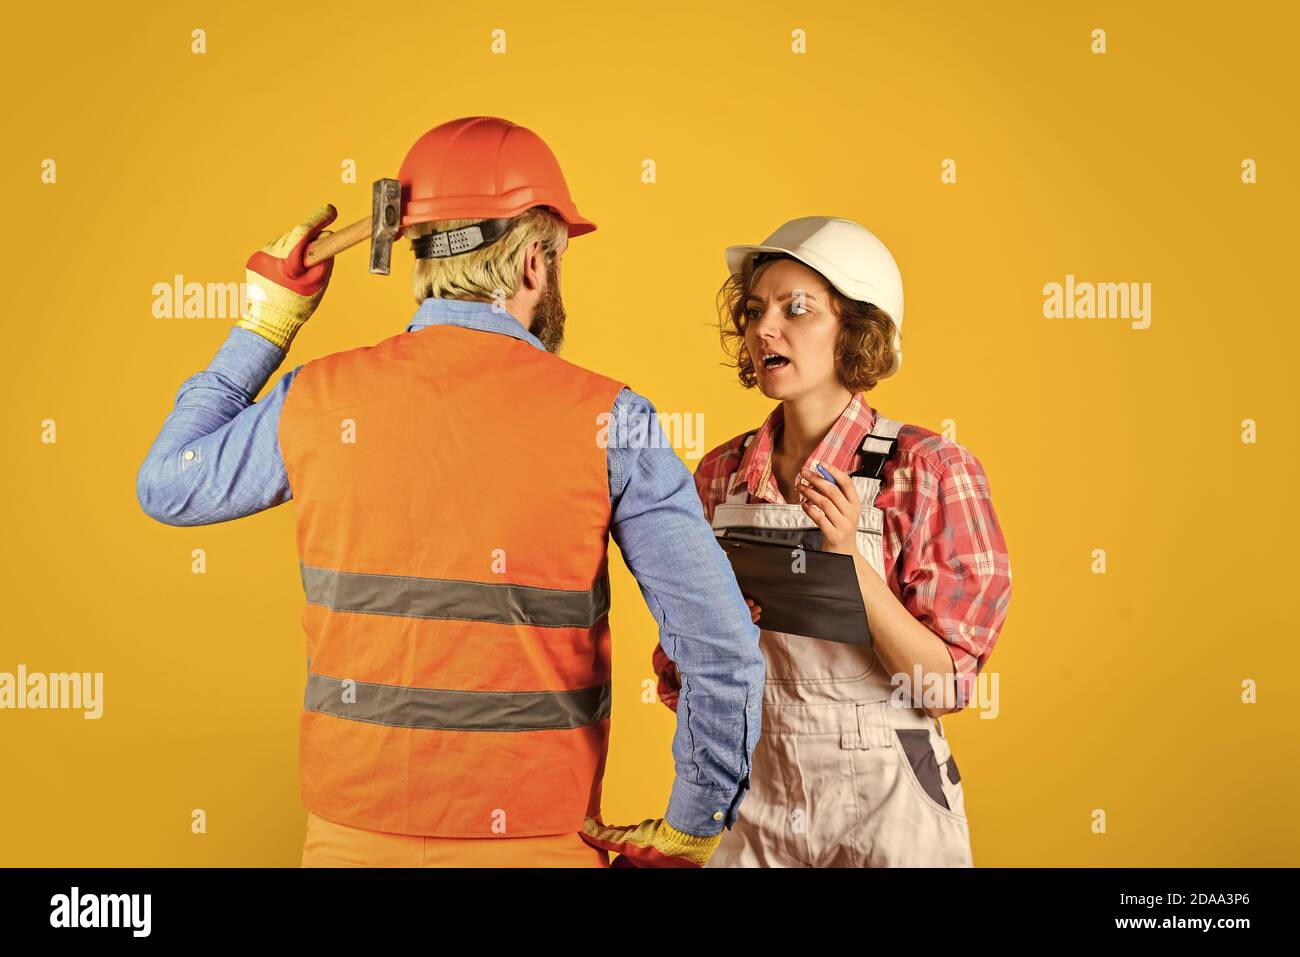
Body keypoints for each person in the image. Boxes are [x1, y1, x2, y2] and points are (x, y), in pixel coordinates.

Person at [135, 116, 764, 868]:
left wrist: (265, 325)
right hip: (538, 843)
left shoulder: (318, 397)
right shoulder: (612, 419)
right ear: (535, 261)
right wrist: (694, 824)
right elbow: (721, 648)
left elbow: (167, 485)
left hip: (348, 840)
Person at [653, 217, 1012, 867]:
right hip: (754, 800)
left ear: (857, 329)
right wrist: (717, 626)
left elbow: (942, 687)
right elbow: (682, 679)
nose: (766, 329)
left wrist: (847, 558)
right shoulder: (718, 475)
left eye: (798, 309)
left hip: (888, 806)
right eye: (757, 310)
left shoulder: (928, 469)